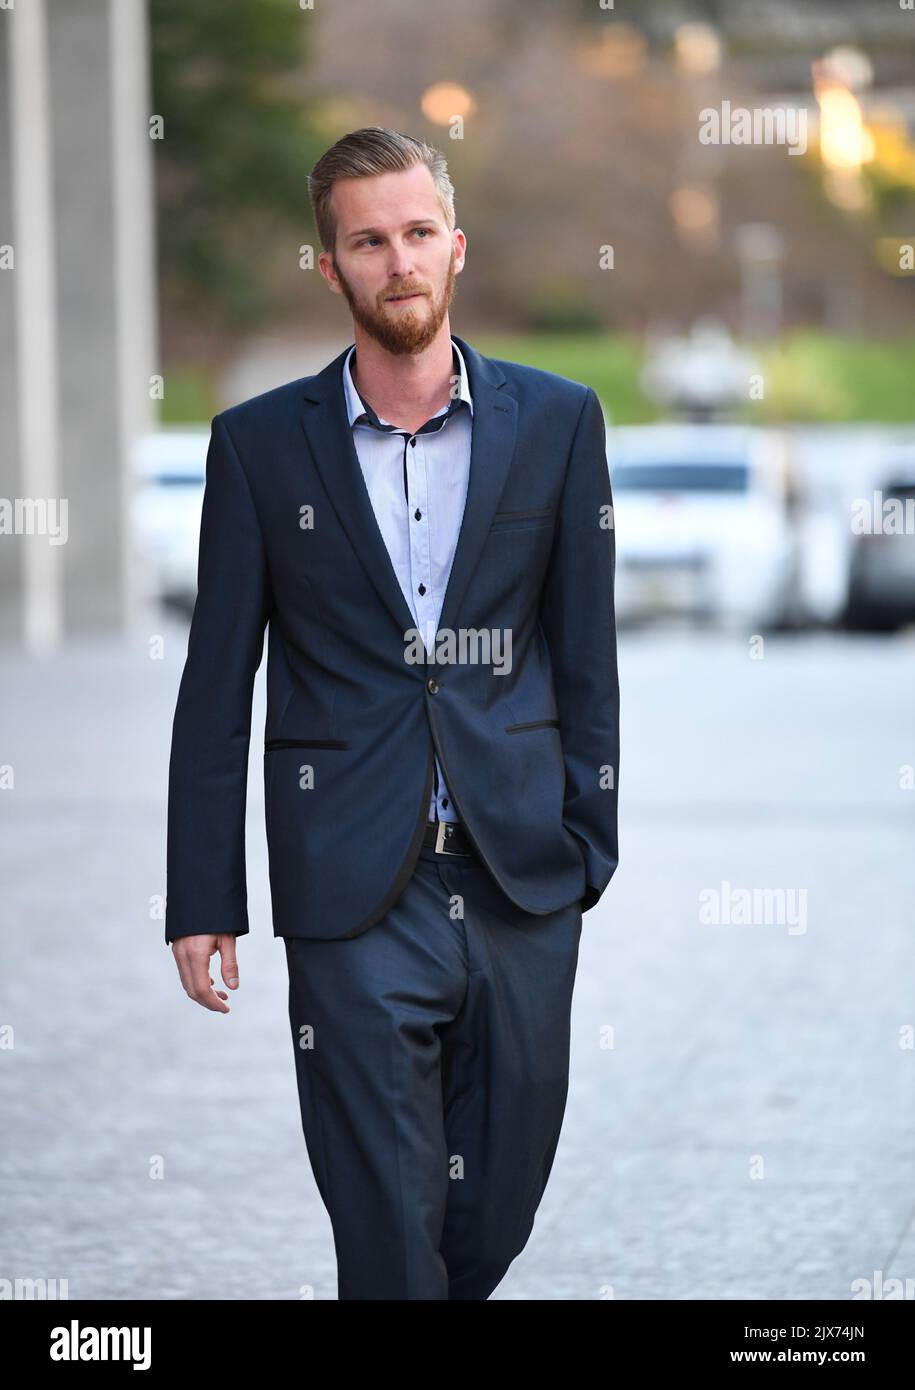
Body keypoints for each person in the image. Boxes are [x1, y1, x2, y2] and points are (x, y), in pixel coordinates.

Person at [165, 125, 620, 1300]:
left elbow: (584, 653)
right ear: (331, 268)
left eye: (418, 233)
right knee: (384, 1225)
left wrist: (589, 850)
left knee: (492, 1212)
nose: (398, 259)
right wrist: (203, 896)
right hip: (352, 889)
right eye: (368, 241)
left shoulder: (561, 425)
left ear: (456, 247)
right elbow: (216, 686)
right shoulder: (260, 449)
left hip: (521, 877)